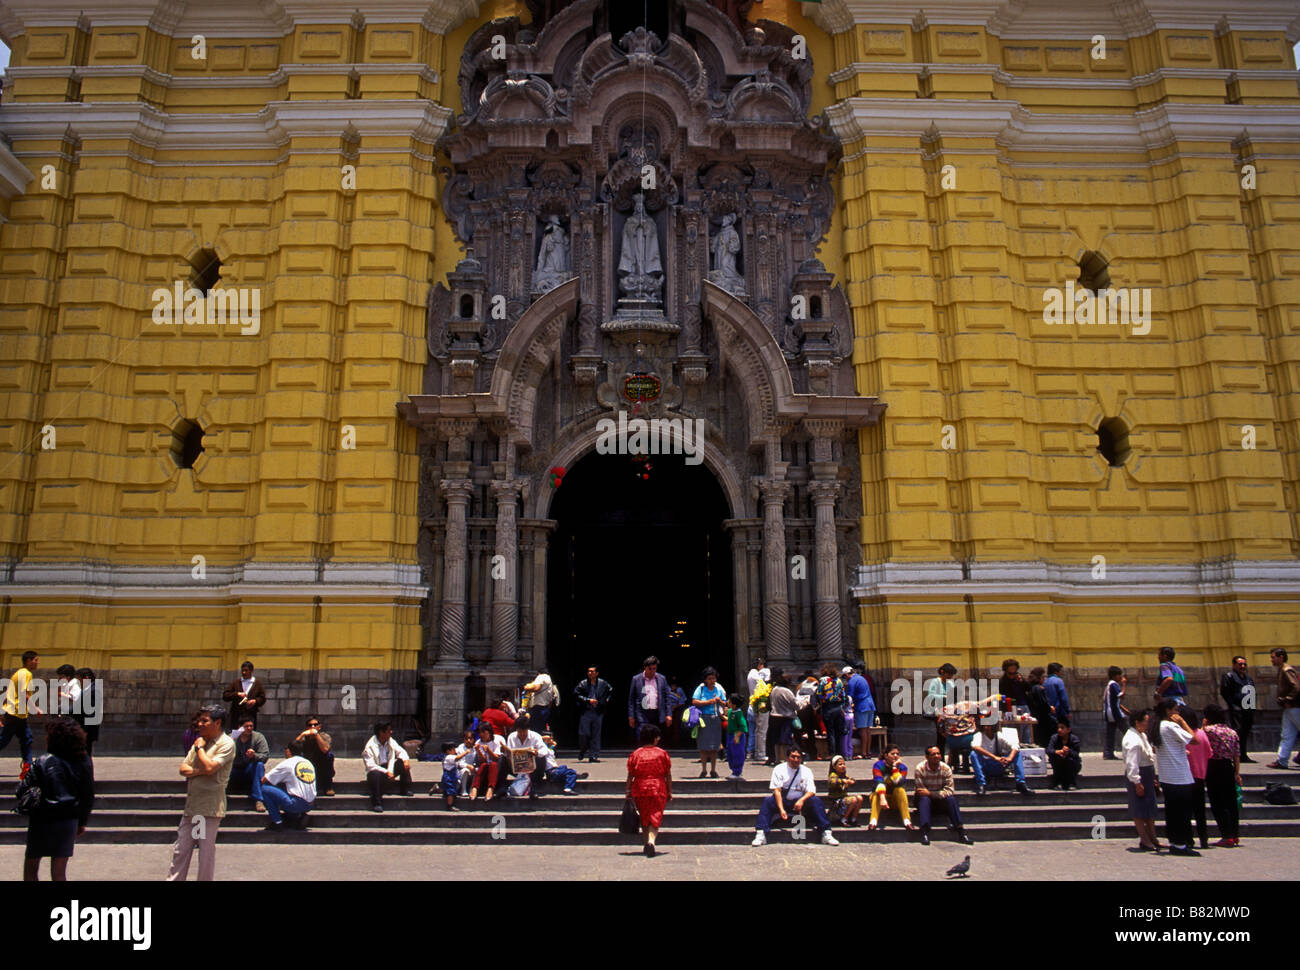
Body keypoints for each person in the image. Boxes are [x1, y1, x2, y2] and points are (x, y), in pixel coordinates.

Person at [166, 705, 236, 881]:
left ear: (217, 723)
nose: (200, 723)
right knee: (181, 850)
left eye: (205, 720)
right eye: (200, 720)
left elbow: (210, 767)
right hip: (192, 806)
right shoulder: (200, 741)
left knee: (205, 854)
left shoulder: (225, 744)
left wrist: (200, 752)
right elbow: (183, 768)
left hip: (208, 809)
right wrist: (200, 771)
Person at [22, 718, 94, 881]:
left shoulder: (43, 761)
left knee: (31, 867)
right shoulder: (84, 760)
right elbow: (87, 793)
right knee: (59, 872)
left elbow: (25, 789)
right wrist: (82, 821)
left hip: (42, 818)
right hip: (68, 819)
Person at [750, 747, 838, 846]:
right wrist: (781, 809)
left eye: (798, 757)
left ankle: (826, 832)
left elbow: (811, 791)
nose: (796, 760)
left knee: (816, 801)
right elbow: (777, 791)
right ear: (787, 758)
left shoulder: (806, 771)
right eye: (793, 757)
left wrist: (801, 800)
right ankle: (761, 833)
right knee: (768, 801)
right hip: (783, 800)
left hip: (800, 801)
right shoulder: (779, 769)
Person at [1149, 698, 1198, 856]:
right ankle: (1180, 844)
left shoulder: (1157, 727)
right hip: (1179, 775)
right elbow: (1195, 739)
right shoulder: (1171, 726)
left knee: (1172, 812)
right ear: (1168, 711)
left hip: (1167, 775)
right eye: (1176, 710)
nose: (1178, 713)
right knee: (1182, 813)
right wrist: (1183, 722)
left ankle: (1175, 842)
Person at [626, 723, 673, 857]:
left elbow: (630, 775)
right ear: (654, 738)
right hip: (658, 787)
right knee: (655, 815)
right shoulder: (662, 754)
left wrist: (627, 791)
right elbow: (668, 774)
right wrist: (670, 791)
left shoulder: (635, 754)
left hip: (640, 787)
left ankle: (646, 842)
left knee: (644, 816)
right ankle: (651, 842)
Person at [913, 744, 972, 846]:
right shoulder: (920, 768)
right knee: (924, 799)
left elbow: (949, 790)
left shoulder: (946, 768)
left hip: (939, 800)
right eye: (933, 754)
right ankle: (924, 832)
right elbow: (921, 790)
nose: (936, 756)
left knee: (952, 799)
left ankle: (960, 830)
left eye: (938, 754)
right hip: (925, 801)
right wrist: (935, 794)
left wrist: (931, 793)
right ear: (927, 757)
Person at [1201, 705, 1242, 847]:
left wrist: (1203, 725)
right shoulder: (1232, 732)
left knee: (1217, 801)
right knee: (1231, 802)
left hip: (1214, 767)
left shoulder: (1209, 730)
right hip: (1229, 767)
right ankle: (1235, 834)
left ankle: (1226, 834)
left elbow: (1198, 738)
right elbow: (1237, 755)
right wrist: (1237, 773)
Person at [258, 739, 316, 833]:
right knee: (286, 788)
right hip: (310, 804)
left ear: (288, 751)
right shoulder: (308, 763)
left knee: (265, 789)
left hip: (296, 803)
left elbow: (265, 780)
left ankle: (277, 822)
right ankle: (298, 816)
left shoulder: (288, 763)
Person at [1123, 710, 1161, 852]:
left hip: (1147, 773)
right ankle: (1144, 839)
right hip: (1139, 774)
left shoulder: (1142, 735)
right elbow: (1132, 764)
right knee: (1139, 809)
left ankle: (1153, 837)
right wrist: (1137, 782)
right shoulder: (1133, 740)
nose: (1148, 724)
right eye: (1146, 721)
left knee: (1150, 808)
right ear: (1137, 723)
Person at [1, 650, 42, 768]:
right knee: (4, 740)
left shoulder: (18, 673)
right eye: (35, 660)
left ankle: (28, 766)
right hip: (16, 712)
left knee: (26, 738)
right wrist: (36, 708)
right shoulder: (26, 674)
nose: (37, 663)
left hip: (16, 712)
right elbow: (24, 693)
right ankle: (28, 766)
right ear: (28, 661)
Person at [971, 722, 1034, 796]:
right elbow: (975, 747)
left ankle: (1021, 783)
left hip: (998, 765)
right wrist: (994, 757)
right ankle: (982, 784)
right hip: (986, 766)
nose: (986, 728)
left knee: (1017, 753)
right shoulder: (978, 735)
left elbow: (1015, 745)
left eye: (989, 726)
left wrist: (1009, 758)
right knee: (973, 754)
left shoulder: (999, 736)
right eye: (985, 726)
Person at [363, 721, 412, 812]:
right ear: (381, 732)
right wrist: (387, 772)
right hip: (377, 771)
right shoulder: (370, 746)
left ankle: (404, 789)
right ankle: (377, 803)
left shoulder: (390, 741)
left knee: (403, 763)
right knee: (375, 775)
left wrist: (405, 761)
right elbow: (370, 766)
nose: (391, 732)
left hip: (388, 768)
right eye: (389, 730)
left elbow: (401, 751)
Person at [1266, 648, 1299, 769]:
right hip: (1289, 708)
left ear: (1281, 657)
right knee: (1287, 734)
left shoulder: (1287, 670)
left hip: (1294, 707)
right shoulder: (1283, 670)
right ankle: (1282, 760)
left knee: (1287, 734)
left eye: (1273, 657)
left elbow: (1296, 687)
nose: (1271, 659)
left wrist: (1288, 699)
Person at [867, 744, 913, 830]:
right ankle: (873, 821)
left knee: (900, 790)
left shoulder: (903, 768)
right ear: (886, 755)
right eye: (892, 754)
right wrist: (882, 798)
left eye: (897, 754)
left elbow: (898, 782)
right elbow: (879, 782)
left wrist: (895, 767)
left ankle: (907, 820)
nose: (895, 756)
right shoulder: (878, 765)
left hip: (894, 800)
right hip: (880, 799)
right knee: (877, 793)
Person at [1219, 656, 1256, 762]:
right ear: (1234, 665)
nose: (1243, 666)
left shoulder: (1248, 678)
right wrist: (1233, 705)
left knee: (1245, 732)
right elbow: (1225, 692)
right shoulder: (1229, 676)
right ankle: (1235, 755)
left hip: (1248, 709)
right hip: (1236, 710)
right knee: (1237, 733)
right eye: (1240, 664)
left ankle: (1243, 755)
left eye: (1244, 664)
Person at [1183, 709, 1210, 850]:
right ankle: (1204, 839)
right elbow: (1209, 754)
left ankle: (1188, 840)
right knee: (1200, 811)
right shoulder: (1202, 735)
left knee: (1186, 811)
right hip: (1200, 776)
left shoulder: (1185, 736)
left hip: (1187, 777)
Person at [692, 667, 727, 778]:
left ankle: (713, 769)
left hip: (715, 718)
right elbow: (694, 701)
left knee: (714, 746)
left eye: (714, 678)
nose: (712, 681)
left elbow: (725, 704)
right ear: (705, 679)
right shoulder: (701, 688)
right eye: (710, 678)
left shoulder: (718, 689)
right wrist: (708, 702)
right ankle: (703, 769)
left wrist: (719, 701)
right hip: (704, 718)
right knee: (703, 746)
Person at [228, 717, 270, 810]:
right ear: (240, 727)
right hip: (234, 771)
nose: (249, 728)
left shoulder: (258, 737)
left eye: (251, 726)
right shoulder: (232, 737)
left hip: (250, 771)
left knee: (259, 765)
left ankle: (258, 800)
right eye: (246, 726)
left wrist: (254, 756)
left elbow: (265, 756)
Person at [813, 662, 849, 767]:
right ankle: (839, 753)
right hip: (838, 708)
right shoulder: (839, 681)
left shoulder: (823, 681)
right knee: (838, 731)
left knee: (831, 732)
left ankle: (832, 753)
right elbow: (843, 696)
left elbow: (819, 694)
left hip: (828, 708)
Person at [573, 666, 612, 762]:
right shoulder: (583, 683)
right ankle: (583, 749)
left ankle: (593, 755)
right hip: (586, 711)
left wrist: (606, 700)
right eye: (589, 671)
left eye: (592, 671)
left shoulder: (602, 683)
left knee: (596, 734)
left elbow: (610, 690)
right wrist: (588, 700)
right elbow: (576, 694)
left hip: (597, 711)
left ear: (597, 673)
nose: (590, 673)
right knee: (584, 733)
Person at [628, 656, 670, 733]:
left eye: (654, 668)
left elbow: (667, 698)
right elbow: (631, 699)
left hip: (657, 713)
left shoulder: (662, 679)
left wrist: (669, 714)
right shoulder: (636, 679)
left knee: (656, 738)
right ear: (645, 668)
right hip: (642, 714)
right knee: (643, 738)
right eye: (650, 669)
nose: (652, 671)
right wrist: (631, 716)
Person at [295, 715, 334, 796]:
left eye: (315, 725)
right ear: (306, 727)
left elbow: (325, 749)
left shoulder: (324, 736)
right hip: (308, 766)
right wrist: (302, 735)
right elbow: (292, 748)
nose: (313, 727)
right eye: (310, 725)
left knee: (329, 756)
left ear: (319, 726)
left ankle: (328, 787)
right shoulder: (304, 737)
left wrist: (316, 735)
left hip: (322, 767)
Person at [924, 664, 956, 760]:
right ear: (942, 672)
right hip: (939, 711)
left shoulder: (950, 683)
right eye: (948, 675)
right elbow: (931, 696)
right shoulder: (935, 682)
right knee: (941, 737)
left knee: (953, 736)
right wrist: (944, 697)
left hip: (950, 711)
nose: (950, 677)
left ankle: (953, 760)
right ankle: (940, 759)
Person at [844, 665, 876, 760]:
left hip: (862, 706)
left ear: (847, 675)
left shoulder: (852, 681)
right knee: (868, 730)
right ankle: (867, 752)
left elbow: (850, 697)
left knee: (863, 730)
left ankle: (863, 752)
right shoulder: (861, 678)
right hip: (870, 704)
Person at [222, 661, 266, 729]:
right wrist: (237, 694)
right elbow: (225, 695)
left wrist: (255, 701)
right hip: (236, 715)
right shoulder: (236, 682)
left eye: (246, 670)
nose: (244, 673)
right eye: (242, 671)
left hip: (250, 715)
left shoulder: (257, 684)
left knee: (249, 733)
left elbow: (263, 698)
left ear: (251, 671)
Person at [766, 670, 797, 766]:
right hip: (785, 717)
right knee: (785, 740)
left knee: (776, 740)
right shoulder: (787, 692)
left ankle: (777, 759)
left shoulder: (774, 690)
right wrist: (805, 702)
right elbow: (796, 705)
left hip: (774, 716)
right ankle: (786, 759)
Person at [468, 722, 506, 802]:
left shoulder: (498, 740)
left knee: (493, 764)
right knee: (484, 765)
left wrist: (489, 751)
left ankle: (491, 789)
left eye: (484, 732)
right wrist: (479, 751)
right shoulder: (479, 742)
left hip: (497, 767)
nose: (482, 735)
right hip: (485, 768)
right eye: (480, 733)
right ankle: (474, 788)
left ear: (489, 732)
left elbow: (497, 758)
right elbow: (483, 761)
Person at [746, 658, 771, 762]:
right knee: (761, 730)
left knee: (755, 731)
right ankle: (761, 753)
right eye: (762, 664)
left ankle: (753, 752)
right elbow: (764, 685)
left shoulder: (750, 675)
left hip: (752, 704)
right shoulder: (757, 675)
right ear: (759, 665)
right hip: (760, 704)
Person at [826, 754, 862, 826]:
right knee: (853, 800)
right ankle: (843, 819)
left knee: (859, 798)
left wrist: (852, 781)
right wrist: (843, 781)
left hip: (843, 799)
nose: (843, 766)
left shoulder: (844, 775)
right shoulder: (833, 775)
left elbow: (853, 780)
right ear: (834, 766)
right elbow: (832, 781)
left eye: (844, 764)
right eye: (840, 764)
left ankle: (853, 819)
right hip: (836, 801)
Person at [1046, 718, 1082, 790]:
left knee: (1070, 761)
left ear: (1068, 730)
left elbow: (1076, 754)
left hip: (1072, 763)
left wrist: (1068, 752)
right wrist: (1058, 752)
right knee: (1058, 760)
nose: (1059, 730)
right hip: (1058, 762)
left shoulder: (1074, 739)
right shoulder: (1054, 738)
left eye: (1062, 728)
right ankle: (1057, 783)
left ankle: (1072, 783)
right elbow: (1049, 750)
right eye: (1058, 728)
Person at [1026, 666, 1057, 748]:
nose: (1045, 679)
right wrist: (1050, 708)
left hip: (1037, 718)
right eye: (1043, 677)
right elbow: (1043, 704)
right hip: (1044, 719)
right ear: (1039, 678)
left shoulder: (1031, 688)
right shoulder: (1039, 689)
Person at [73, 668, 100, 758]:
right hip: (82, 729)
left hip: (86, 731)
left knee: (86, 756)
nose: (78, 683)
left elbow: (91, 713)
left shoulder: (93, 691)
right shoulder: (86, 690)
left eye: (79, 679)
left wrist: (85, 731)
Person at [1102, 666, 1127, 759]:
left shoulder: (1110, 685)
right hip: (1115, 713)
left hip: (1110, 713)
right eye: (1119, 675)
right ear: (1114, 676)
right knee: (1126, 731)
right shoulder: (1113, 684)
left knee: (1110, 733)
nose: (1121, 677)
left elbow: (1115, 701)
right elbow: (1121, 696)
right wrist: (1124, 684)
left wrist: (1125, 710)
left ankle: (1108, 753)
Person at [522, 669, 558, 734]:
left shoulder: (541, 676)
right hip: (545, 708)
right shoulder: (550, 681)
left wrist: (526, 687)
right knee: (541, 730)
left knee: (534, 730)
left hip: (538, 708)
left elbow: (536, 688)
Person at [723, 693, 748, 780]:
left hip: (737, 735)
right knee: (730, 752)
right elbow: (729, 718)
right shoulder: (731, 711)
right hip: (730, 734)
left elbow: (743, 726)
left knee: (737, 752)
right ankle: (734, 770)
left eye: (729, 702)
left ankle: (737, 771)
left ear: (734, 704)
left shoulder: (739, 713)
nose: (727, 702)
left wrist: (737, 736)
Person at [437, 743, 461, 810]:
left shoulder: (451, 756)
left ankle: (437, 788)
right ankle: (450, 805)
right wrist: (466, 753)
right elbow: (457, 758)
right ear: (448, 751)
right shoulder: (449, 757)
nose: (455, 750)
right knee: (450, 791)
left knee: (446, 789)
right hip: (448, 777)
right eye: (453, 749)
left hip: (452, 777)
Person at [665, 677, 687, 744]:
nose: (673, 687)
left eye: (674, 685)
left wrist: (675, 706)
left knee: (676, 726)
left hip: (677, 709)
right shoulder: (667, 689)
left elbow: (683, 700)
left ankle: (675, 742)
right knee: (667, 725)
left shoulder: (679, 690)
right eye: (672, 685)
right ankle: (667, 741)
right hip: (668, 709)